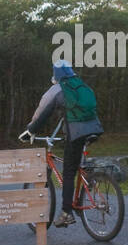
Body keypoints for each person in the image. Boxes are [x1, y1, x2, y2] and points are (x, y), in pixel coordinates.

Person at [20, 60, 104, 227]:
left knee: (68, 172)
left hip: (77, 133)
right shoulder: (81, 84)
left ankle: (66, 213)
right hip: (94, 128)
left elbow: (43, 112)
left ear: (55, 75)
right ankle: (88, 185)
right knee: (77, 164)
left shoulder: (58, 89)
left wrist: (30, 130)